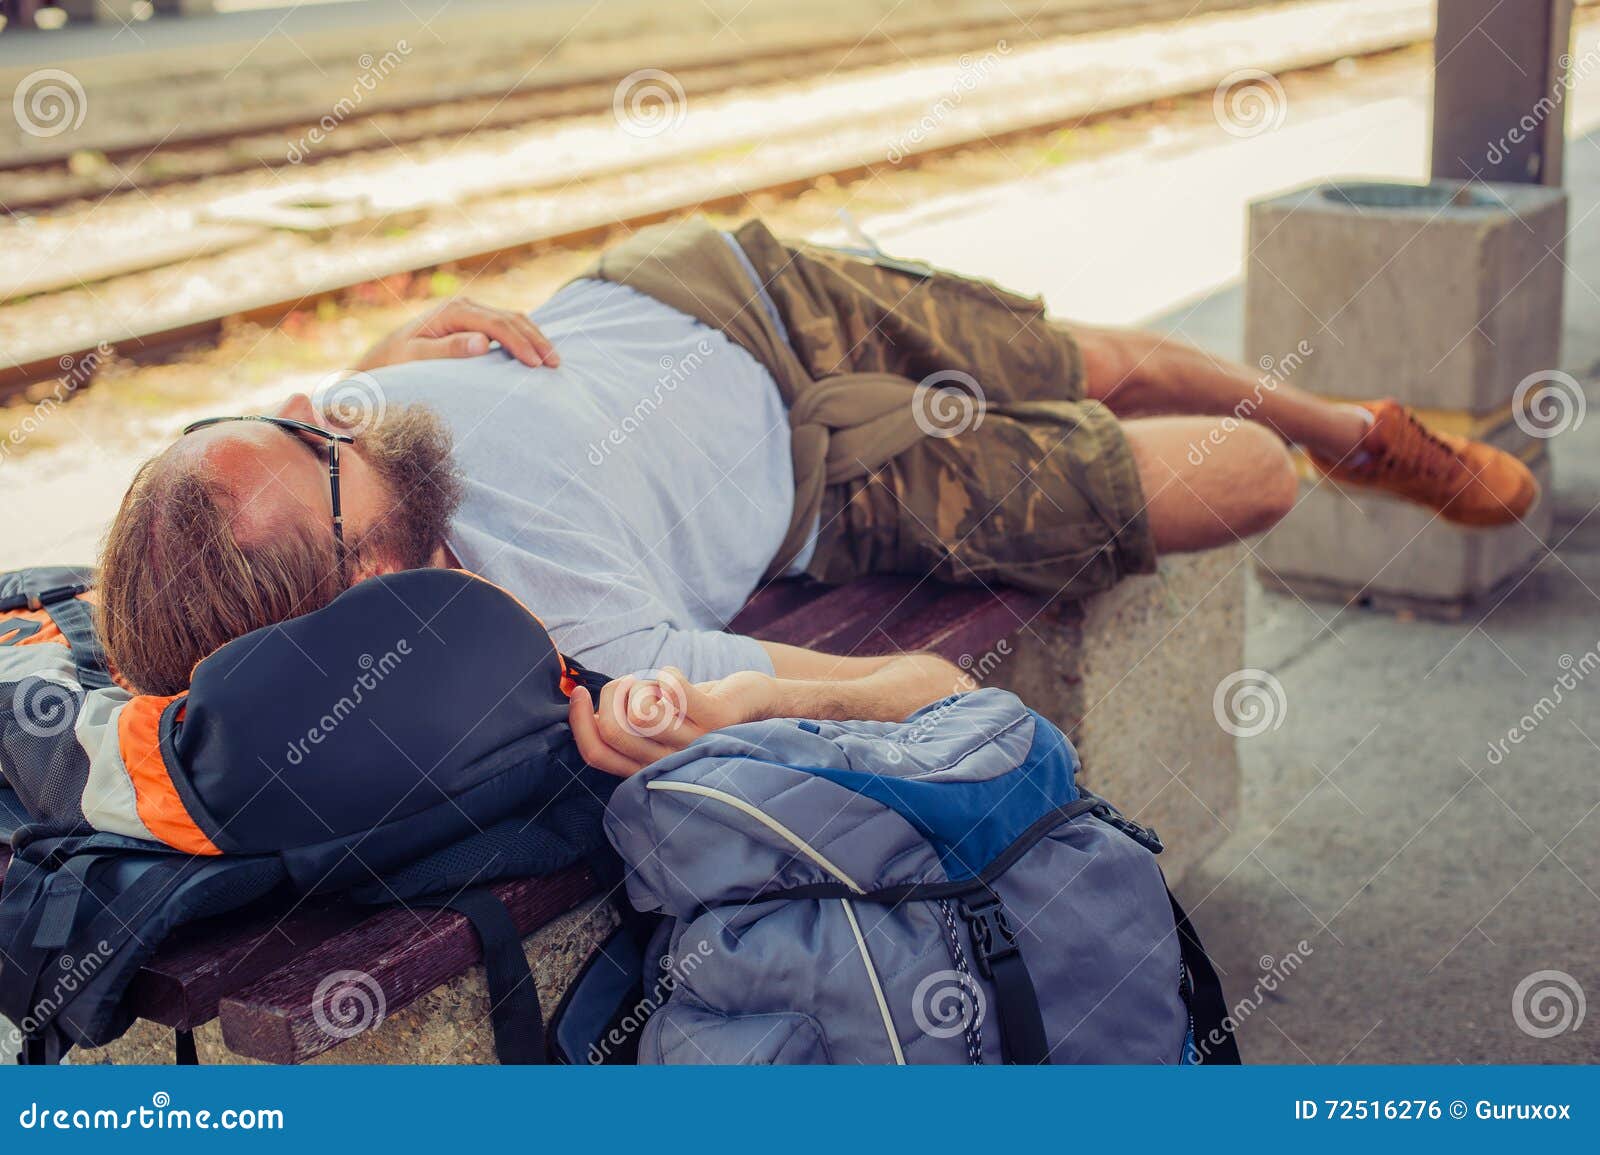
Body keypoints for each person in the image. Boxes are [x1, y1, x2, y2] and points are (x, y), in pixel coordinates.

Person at [95, 217, 1537, 750]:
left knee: (1091, 356)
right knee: (1254, 482)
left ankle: (1368, 432)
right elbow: (894, 686)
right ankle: (1314, 454)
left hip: (730, 287)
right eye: (321, 453)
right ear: (366, 590)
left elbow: (317, 432)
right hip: (846, 482)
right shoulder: (552, 626)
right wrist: (706, 708)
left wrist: (381, 355)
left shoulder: (344, 426)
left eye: (294, 422)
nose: (319, 410)